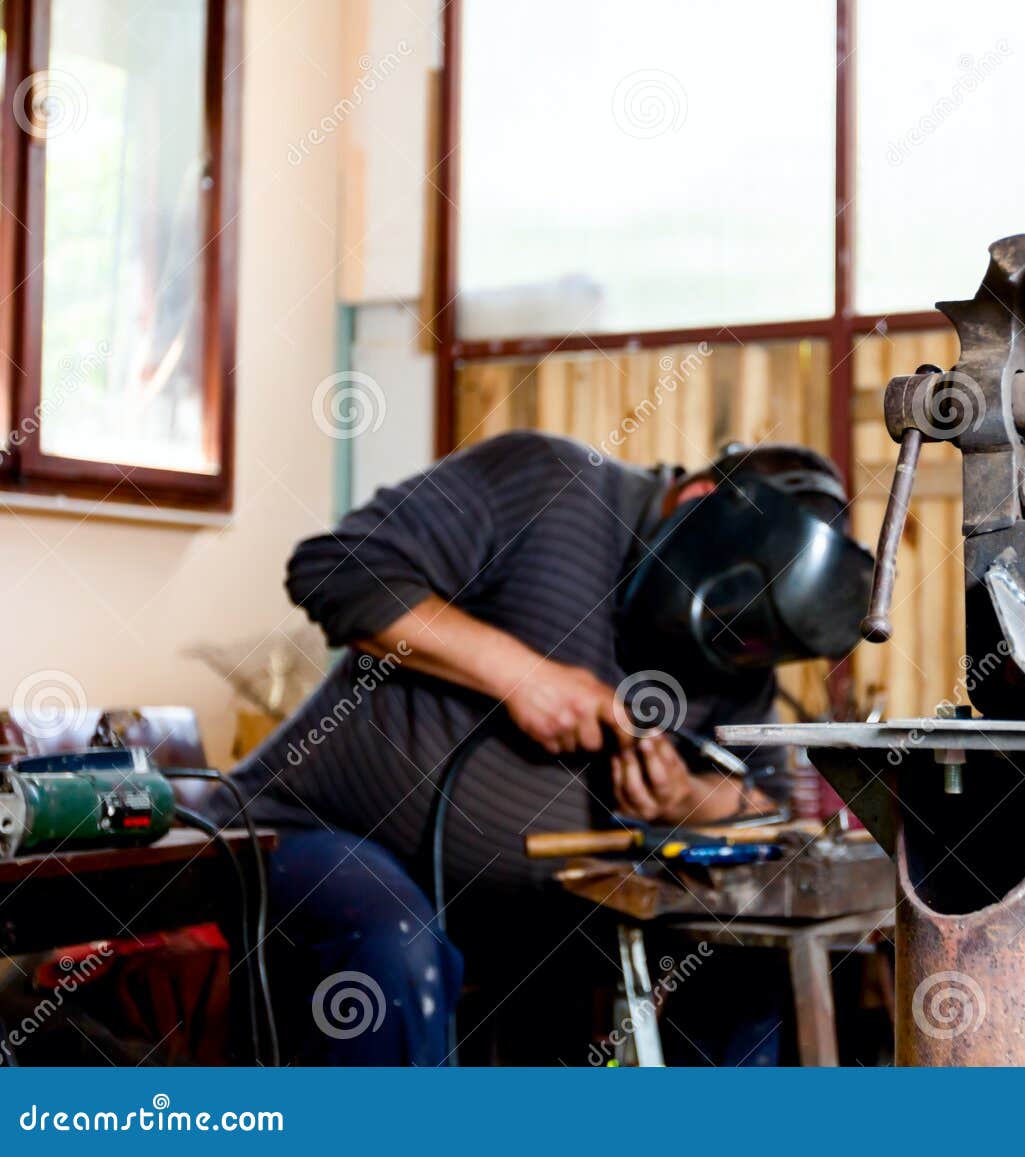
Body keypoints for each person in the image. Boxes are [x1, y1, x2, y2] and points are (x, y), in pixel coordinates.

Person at [207, 433, 871, 1066]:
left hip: (530, 910)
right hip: (304, 833)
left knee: (750, 961)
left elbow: (769, 802)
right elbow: (334, 570)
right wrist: (520, 675)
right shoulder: (550, 484)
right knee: (397, 942)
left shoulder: (739, 636)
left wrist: (687, 798)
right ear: (699, 501)